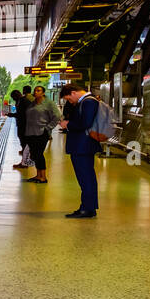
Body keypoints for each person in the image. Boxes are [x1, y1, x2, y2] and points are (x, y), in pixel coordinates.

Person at [58, 82, 101, 218]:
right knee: (86, 177)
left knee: (86, 178)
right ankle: (88, 207)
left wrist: (68, 124)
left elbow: (85, 123)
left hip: (83, 146)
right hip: (83, 146)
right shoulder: (88, 101)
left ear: (73, 93)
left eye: (69, 99)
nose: (70, 101)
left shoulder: (88, 102)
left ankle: (87, 209)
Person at [23, 85, 60, 183]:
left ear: (43, 93)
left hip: (41, 133)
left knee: (39, 154)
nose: (36, 92)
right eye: (35, 90)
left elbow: (57, 116)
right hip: (30, 133)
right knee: (34, 154)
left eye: (38, 90)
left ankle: (43, 177)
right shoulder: (32, 104)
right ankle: (38, 175)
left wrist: (48, 128)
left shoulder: (49, 103)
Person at [9, 87, 33, 168]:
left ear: (16, 95)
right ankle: (24, 161)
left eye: (13, 97)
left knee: (25, 143)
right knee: (23, 142)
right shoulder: (21, 101)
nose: (13, 99)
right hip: (22, 124)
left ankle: (24, 162)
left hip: (25, 125)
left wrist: (12, 115)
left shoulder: (23, 101)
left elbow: (22, 114)